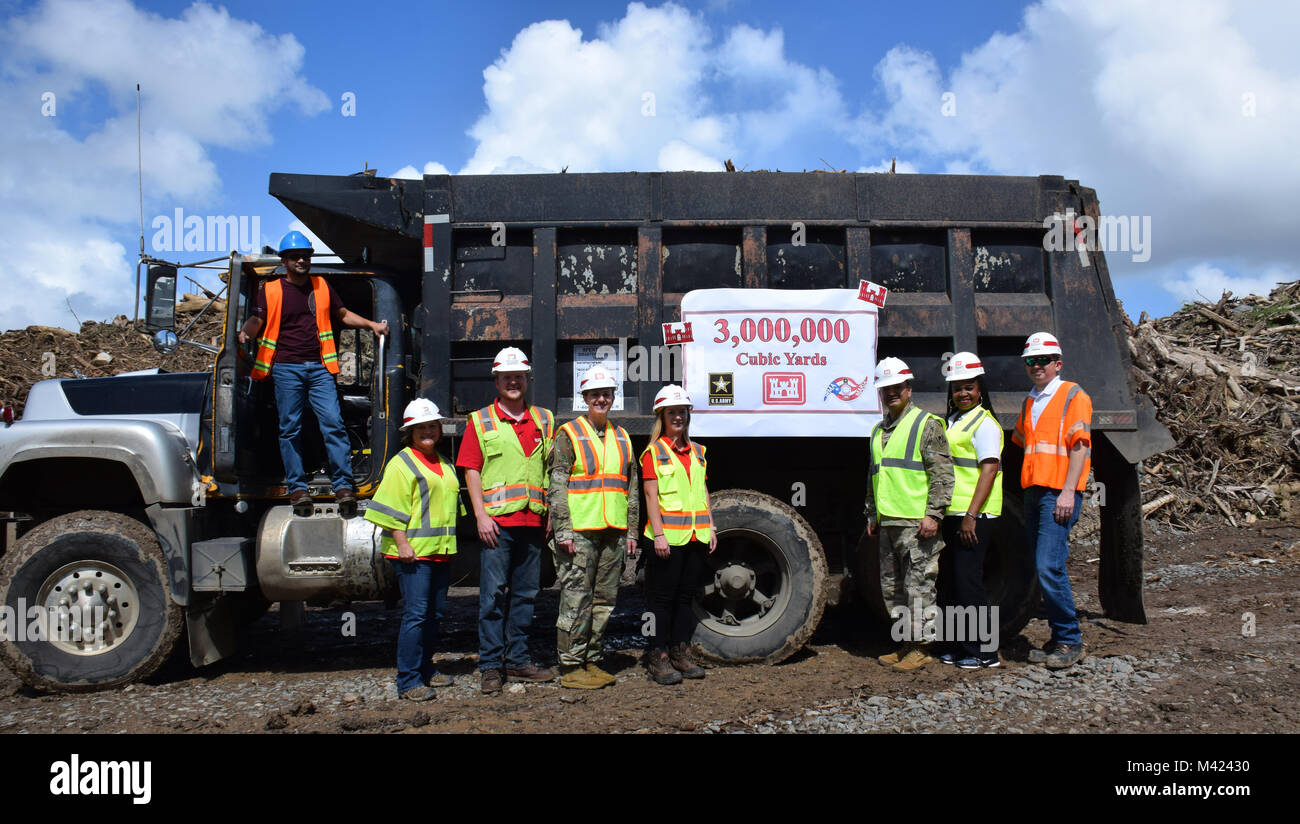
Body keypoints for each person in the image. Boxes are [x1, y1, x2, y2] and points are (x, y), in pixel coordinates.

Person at [238, 231, 389, 515]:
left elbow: (342, 314)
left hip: (320, 369)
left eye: (306, 256)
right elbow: (257, 319)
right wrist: (245, 333)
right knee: (290, 429)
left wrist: (372, 325)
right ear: (284, 261)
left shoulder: (321, 286)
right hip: (286, 369)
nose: (301, 261)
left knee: (333, 423)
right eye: (295, 257)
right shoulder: (270, 290)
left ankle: (343, 486)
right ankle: (298, 489)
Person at [457, 347, 557, 694]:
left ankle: (518, 662)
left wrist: (550, 513)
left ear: (527, 379)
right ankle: (489, 666)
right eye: (506, 377)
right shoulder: (480, 420)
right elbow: (471, 469)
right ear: (497, 381)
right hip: (497, 526)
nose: (513, 382)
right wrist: (480, 516)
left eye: (519, 376)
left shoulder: (545, 419)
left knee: (526, 595)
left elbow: (551, 471)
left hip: (533, 522)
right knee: (493, 596)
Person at [547, 364, 639, 689]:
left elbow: (631, 487)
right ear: (584, 397)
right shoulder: (568, 434)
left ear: (613, 397)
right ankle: (571, 666)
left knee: (603, 601)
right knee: (575, 599)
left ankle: (593, 660)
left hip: (612, 533)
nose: (601, 399)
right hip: (580, 533)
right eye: (595, 394)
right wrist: (562, 530)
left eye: (606, 393)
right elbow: (556, 484)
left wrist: (631, 531)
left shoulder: (622, 436)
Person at [364, 398, 462, 701]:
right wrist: (402, 542)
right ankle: (408, 680)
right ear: (410, 432)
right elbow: (390, 508)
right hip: (413, 554)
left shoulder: (444, 462)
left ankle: (425, 669)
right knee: (417, 615)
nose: (428, 431)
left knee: (434, 615)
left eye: (432, 426)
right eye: (421, 427)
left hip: (439, 551)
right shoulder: (402, 463)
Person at [864, 356, 954, 672]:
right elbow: (874, 475)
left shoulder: (926, 424)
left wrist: (934, 515)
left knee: (919, 587)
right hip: (889, 522)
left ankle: (922, 648)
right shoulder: (878, 431)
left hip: (917, 524)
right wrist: (871, 513)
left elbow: (942, 474)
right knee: (894, 589)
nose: (891, 393)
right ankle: (906, 645)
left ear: (908, 389)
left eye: (897, 387)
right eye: (885, 388)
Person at [1012, 332, 1093, 670]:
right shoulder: (1031, 401)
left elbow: (1081, 446)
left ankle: (1070, 640)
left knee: (1050, 565)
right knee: (1041, 565)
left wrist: (1068, 492)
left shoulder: (1072, 394)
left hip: (1057, 494)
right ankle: (1059, 638)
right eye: (1031, 361)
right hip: (1034, 492)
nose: (1037, 366)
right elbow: (1021, 440)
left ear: (1057, 363)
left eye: (1043, 360)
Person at [640, 385, 716, 685]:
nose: (678, 417)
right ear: (662, 416)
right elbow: (650, 496)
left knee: (686, 597)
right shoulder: (654, 453)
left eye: (682, 412)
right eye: (672, 412)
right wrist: (658, 535)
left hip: (695, 536)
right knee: (662, 599)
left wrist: (711, 526)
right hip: (666, 539)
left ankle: (680, 651)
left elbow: (704, 492)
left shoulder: (698, 452)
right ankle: (657, 655)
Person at [936, 352, 1002, 669]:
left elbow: (988, 471)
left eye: (969, 387)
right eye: (957, 387)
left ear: (979, 389)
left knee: (969, 582)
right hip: (954, 513)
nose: (963, 393)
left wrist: (971, 516)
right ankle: (957, 646)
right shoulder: (952, 422)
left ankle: (984, 651)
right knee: (951, 581)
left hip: (974, 516)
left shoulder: (984, 423)